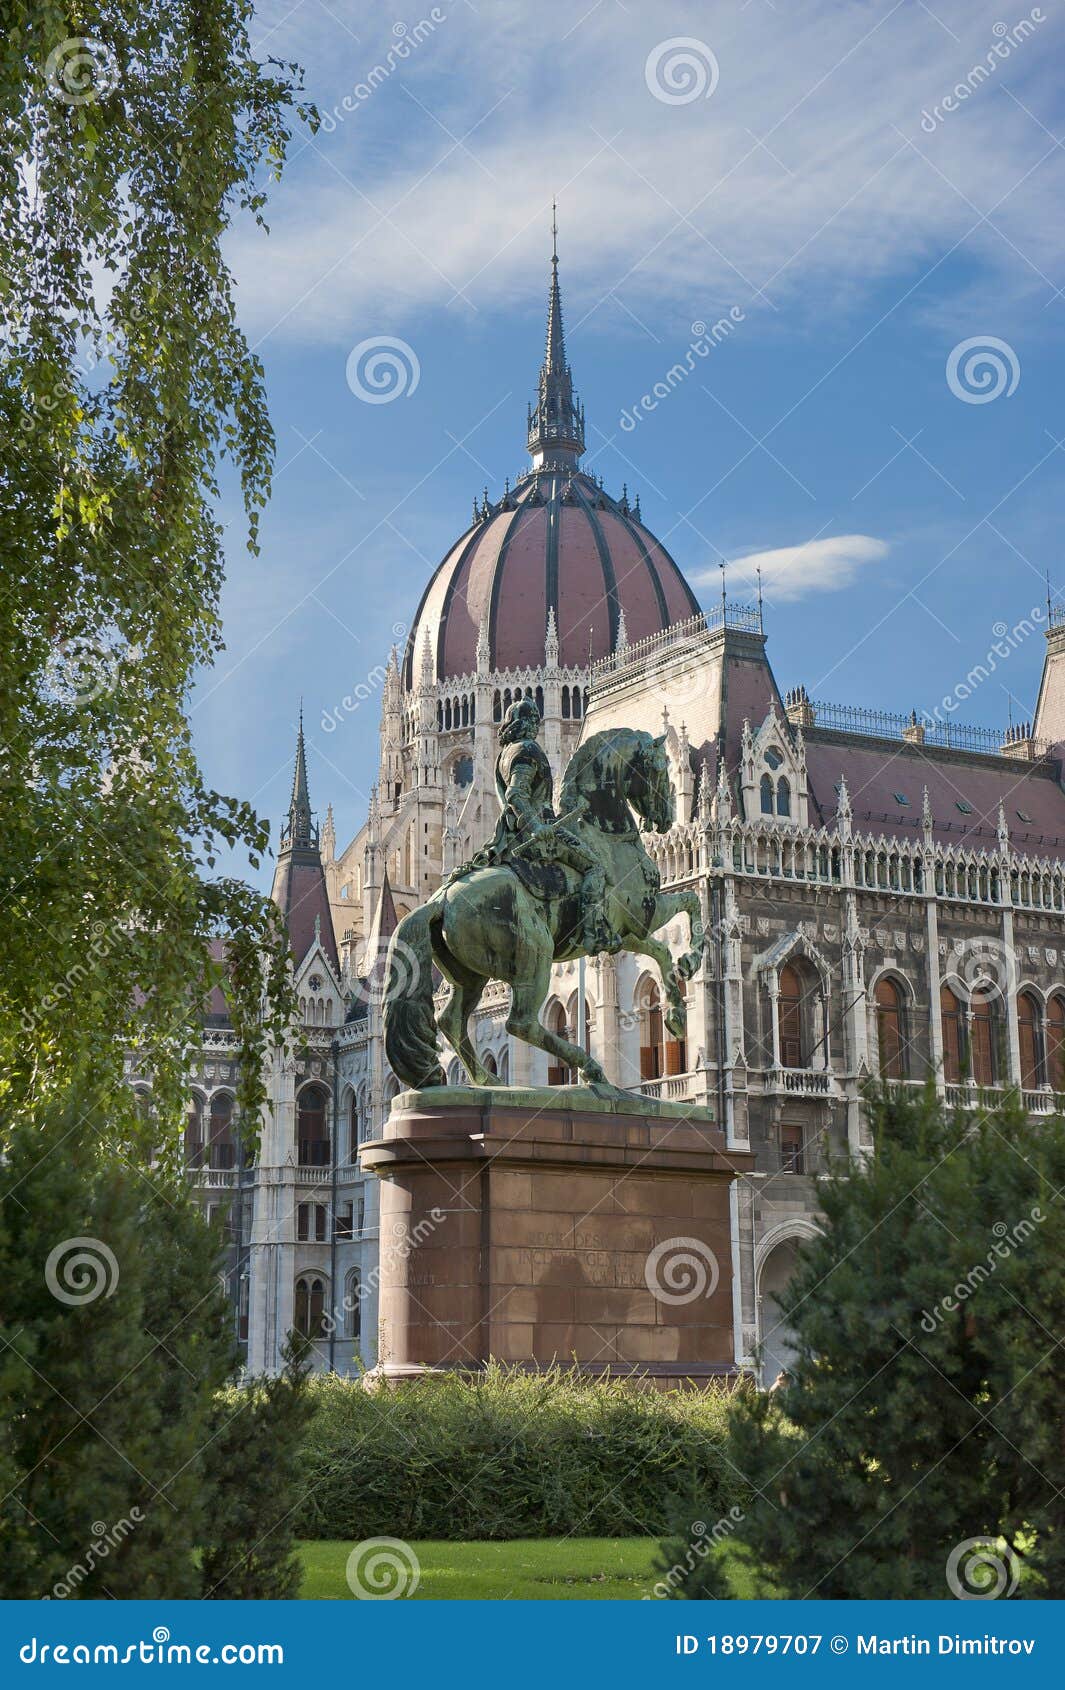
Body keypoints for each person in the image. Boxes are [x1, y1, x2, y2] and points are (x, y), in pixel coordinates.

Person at [450, 697, 617, 954]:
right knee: (595, 866)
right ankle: (595, 933)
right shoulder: (526, 750)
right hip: (540, 836)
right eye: (533, 721)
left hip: (511, 834)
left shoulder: (504, 754)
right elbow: (516, 794)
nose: (536, 726)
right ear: (527, 722)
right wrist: (537, 826)